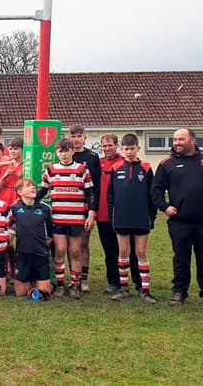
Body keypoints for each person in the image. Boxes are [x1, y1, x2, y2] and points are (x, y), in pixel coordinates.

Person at [151, 127, 203, 308]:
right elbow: (156, 190)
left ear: (192, 140)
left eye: (181, 139)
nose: (177, 143)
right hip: (179, 221)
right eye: (175, 140)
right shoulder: (167, 163)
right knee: (181, 257)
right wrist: (165, 208)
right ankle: (179, 291)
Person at [38, 137, 96, 298]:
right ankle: (60, 284)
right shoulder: (51, 170)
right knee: (60, 250)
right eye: (60, 151)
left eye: (66, 151)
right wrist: (28, 201)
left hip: (76, 218)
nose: (64, 155)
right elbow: (42, 191)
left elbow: (91, 194)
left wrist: (91, 213)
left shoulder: (82, 170)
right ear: (57, 153)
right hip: (58, 218)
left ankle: (75, 285)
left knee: (76, 250)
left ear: (72, 151)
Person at [106, 133, 156, 303]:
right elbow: (110, 194)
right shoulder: (116, 167)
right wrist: (113, 213)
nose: (129, 152)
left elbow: (153, 194)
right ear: (122, 149)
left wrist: (152, 215)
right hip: (121, 217)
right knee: (123, 251)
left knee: (140, 252)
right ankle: (123, 288)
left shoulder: (147, 168)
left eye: (132, 148)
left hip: (141, 217)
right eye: (126, 149)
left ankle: (145, 290)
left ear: (138, 148)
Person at [95, 134, 139, 294]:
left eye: (110, 145)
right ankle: (113, 281)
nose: (107, 149)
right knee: (110, 250)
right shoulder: (98, 164)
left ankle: (137, 280)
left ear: (117, 146)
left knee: (130, 250)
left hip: (123, 214)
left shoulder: (124, 162)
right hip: (103, 214)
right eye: (104, 146)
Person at [68, 125, 102, 292]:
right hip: (67, 207)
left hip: (85, 207)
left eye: (79, 135)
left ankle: (84, 279)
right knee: (70, 244)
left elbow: (95, 187)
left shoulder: (92, 157)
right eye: (73, 136)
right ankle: (73, 276)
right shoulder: (65, 155)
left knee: (83, 243)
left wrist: (92, 210)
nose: (76, 139)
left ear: (84, 137)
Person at [11, 178, 54, 299]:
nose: (33, 188)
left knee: (45, 293)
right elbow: (9, 228)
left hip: (40, 253)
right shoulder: (14, 209)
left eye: (33, 186)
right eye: (28, 186)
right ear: (20, 192)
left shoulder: (45, 208)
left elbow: (50, 231)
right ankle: (29, 283)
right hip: (23, 253)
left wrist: (47, 241)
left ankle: (41, 284)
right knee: (20, 293)